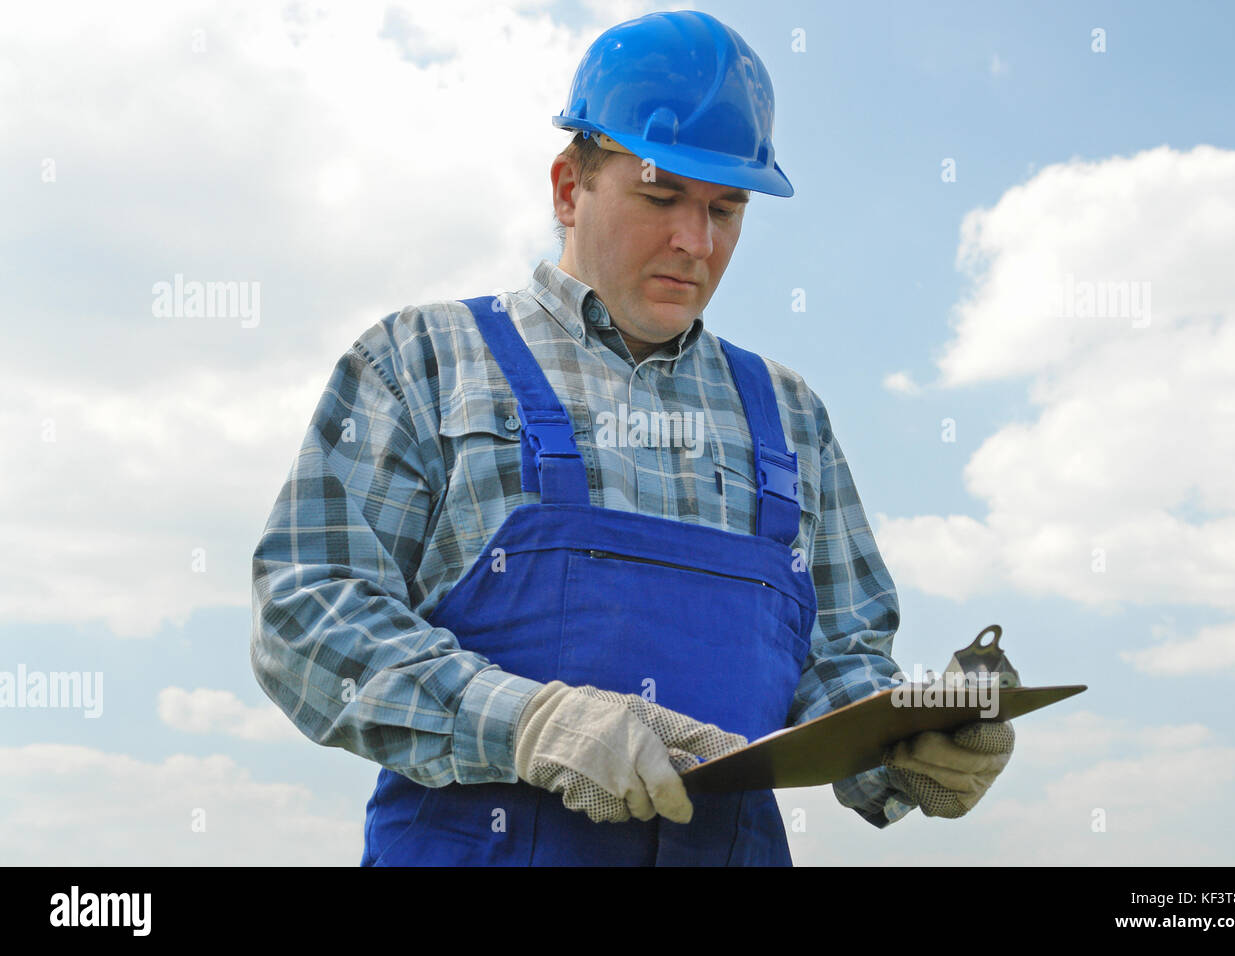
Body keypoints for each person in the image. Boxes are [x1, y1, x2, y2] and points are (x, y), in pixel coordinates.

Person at [250, 9, 1013, 867]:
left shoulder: (790, 414)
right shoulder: (422, 362)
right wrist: (528, 724)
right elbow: (303, 614)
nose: (697, 241)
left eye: (727, 208)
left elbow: (837, 660)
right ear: (570, 188)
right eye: (661, 196)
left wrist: (910, 743)